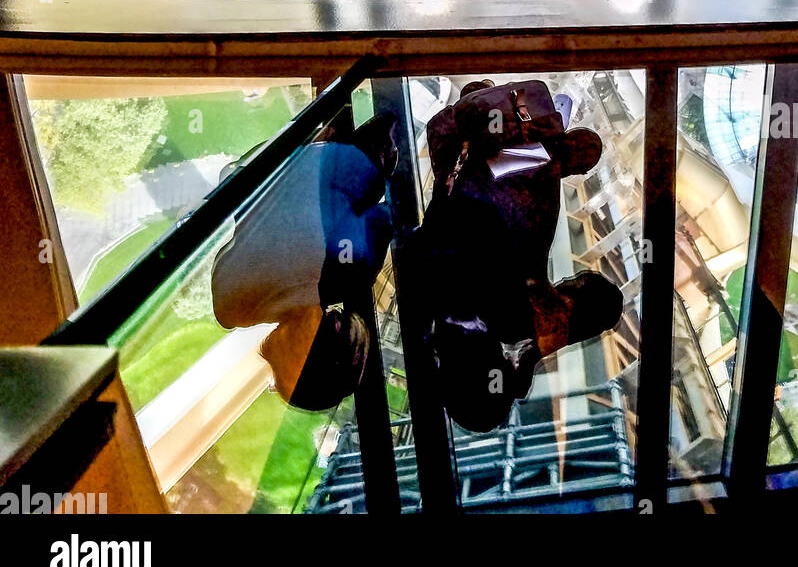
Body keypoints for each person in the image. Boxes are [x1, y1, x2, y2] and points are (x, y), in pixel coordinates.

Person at [404, 79, 622, 432]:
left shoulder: (504, 307)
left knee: (541, 149)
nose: (568, 281)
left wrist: (552, 155)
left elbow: (489, 171)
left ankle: (510, 119)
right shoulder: (441, 318)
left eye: (575, 283)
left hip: (484, 153)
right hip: (463, 151)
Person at [211, 113, 397, 412]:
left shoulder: (349, 277)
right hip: (260, 164)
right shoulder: (230, 310)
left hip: (339, 161)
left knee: (374, 182)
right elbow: (232, 245)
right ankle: (326, 130)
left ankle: (377, 121)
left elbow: (384, 217)